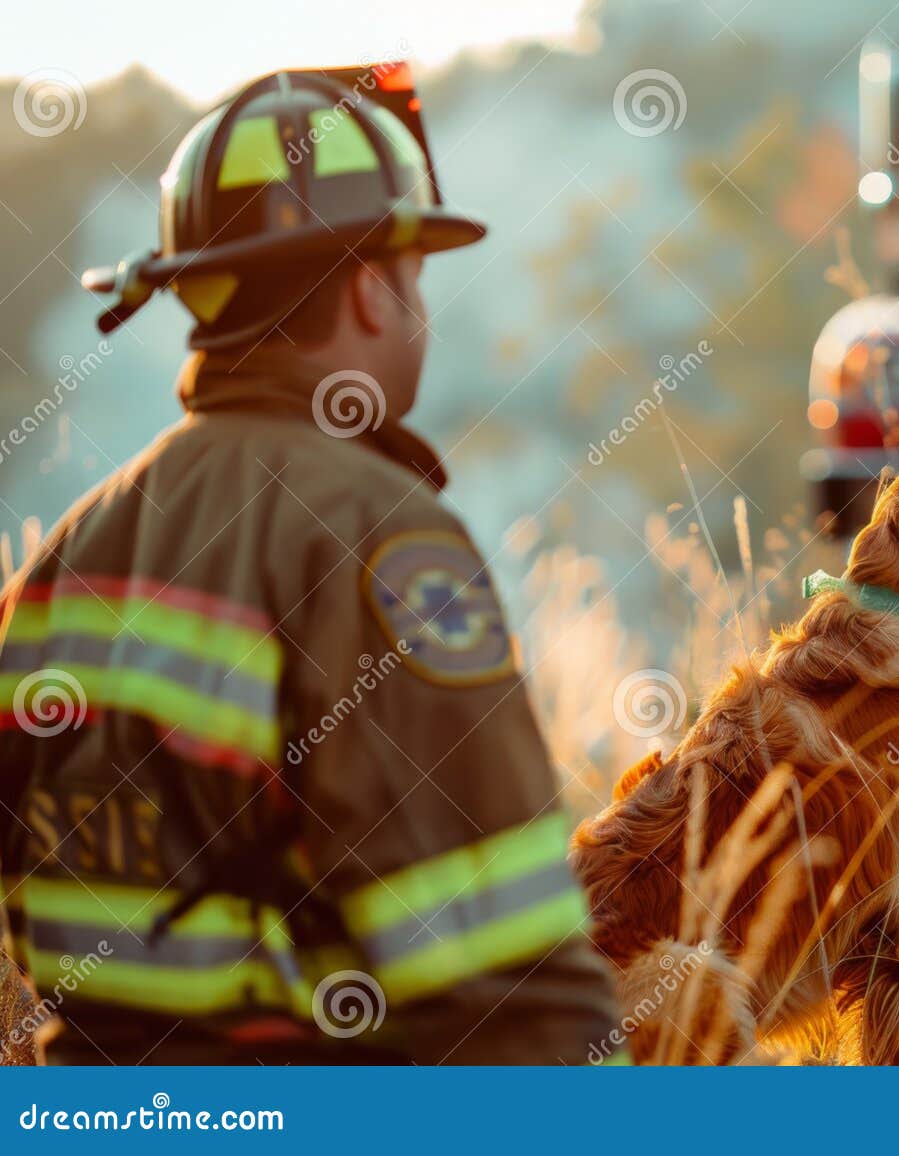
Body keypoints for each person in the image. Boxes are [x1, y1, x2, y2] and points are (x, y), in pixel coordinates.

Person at [0, 63, 621, 1064]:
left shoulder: (68, 554)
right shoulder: (374, 533)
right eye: (411, 277)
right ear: (372, 290)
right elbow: (509, 986)